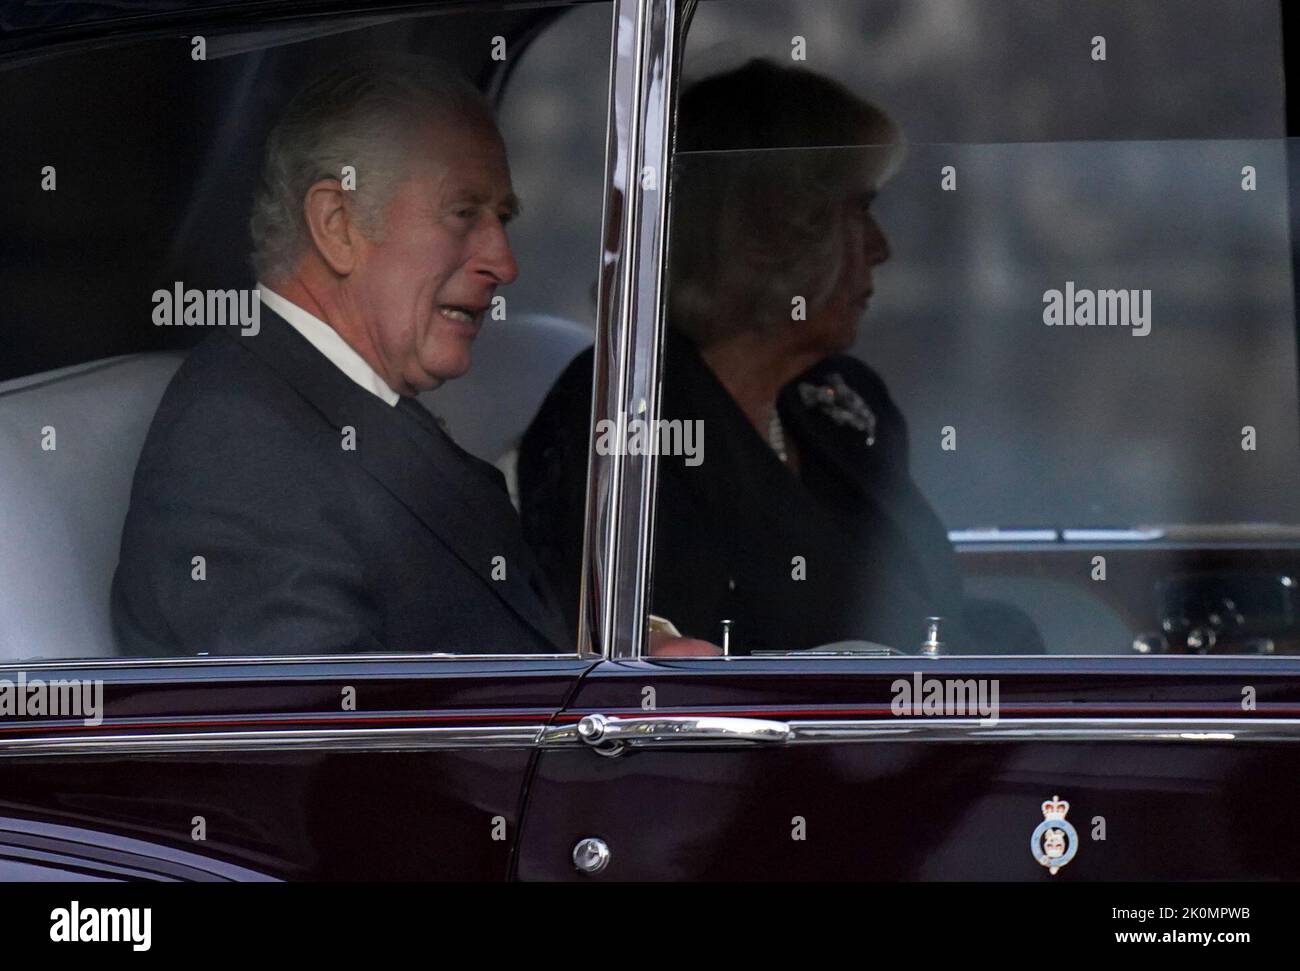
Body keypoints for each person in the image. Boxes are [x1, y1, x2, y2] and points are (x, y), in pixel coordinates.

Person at [111, 57, 707, 657]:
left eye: (501, 220)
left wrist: (632, 653)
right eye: (463, 214)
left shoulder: (331, 395)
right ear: (337, 224)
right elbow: (328, 737)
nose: (504, 264)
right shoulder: (240, 453)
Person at [519, 60, 1042, 655]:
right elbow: (667, 678)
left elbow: (927, 606)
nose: (881, 248)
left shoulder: (841, 397)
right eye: (859, 210)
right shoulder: (624, 413)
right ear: (768, 232)